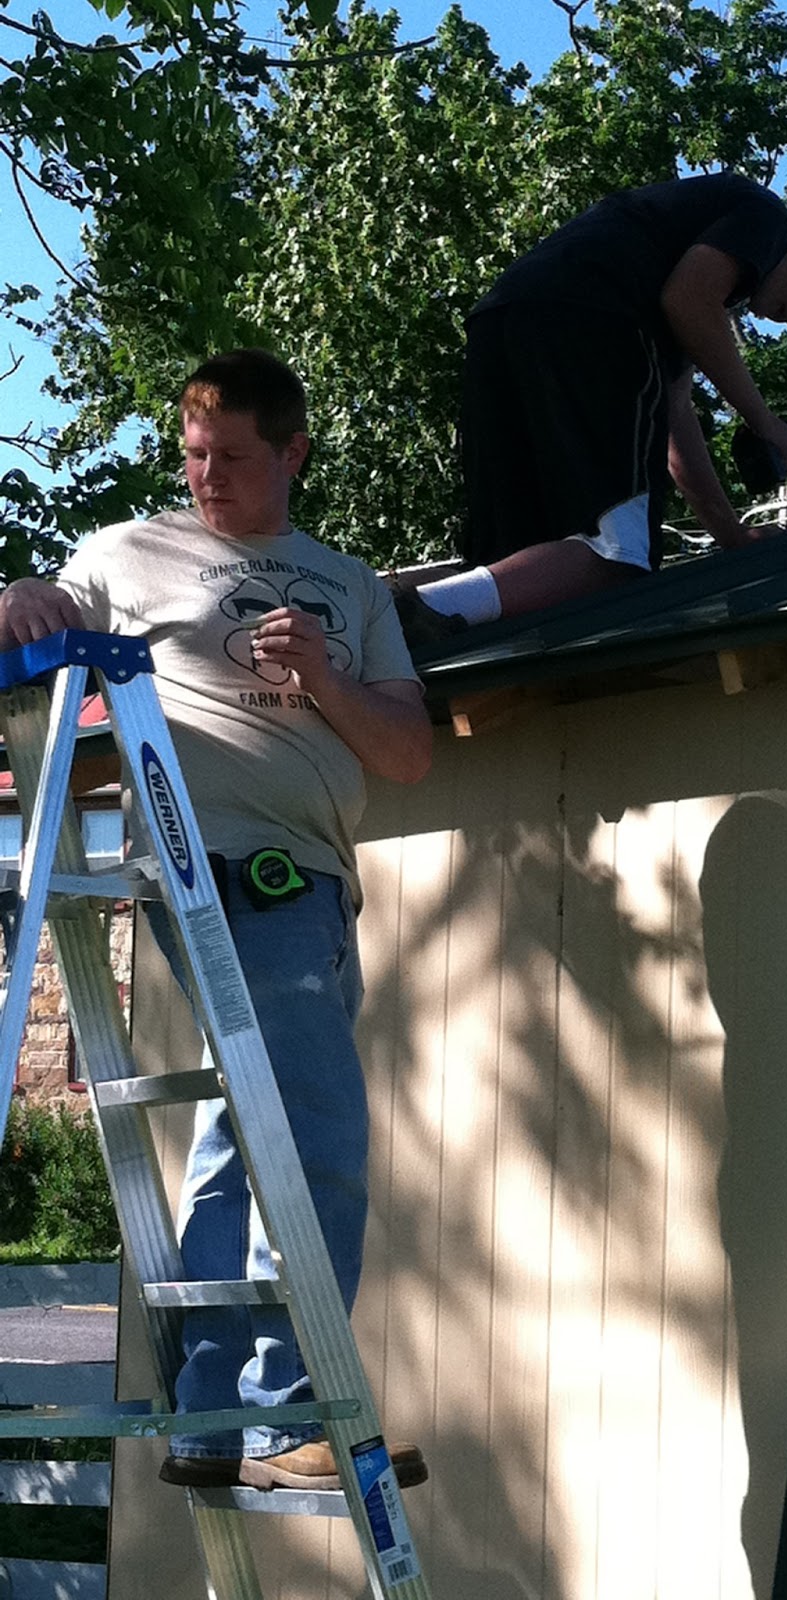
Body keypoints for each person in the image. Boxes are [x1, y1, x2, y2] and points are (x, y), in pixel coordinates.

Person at [0, 349, 435, 1492]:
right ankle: (290, 1412)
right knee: (322, 1139)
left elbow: (407, 750)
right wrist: (17, 598)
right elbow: (31, 618)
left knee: (243, 1150)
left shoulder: (348, 584)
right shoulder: (131, 553)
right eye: (193, 455)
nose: (206, 477)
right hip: (219, 872)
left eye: (232, 458)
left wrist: (327, 684)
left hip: (320, 889)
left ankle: (209, 1423)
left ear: (291, 451)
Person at [398, 171, 787, 643]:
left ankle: (370, 607)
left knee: (519, 563)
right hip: (595, 323)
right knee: (617, 558)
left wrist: (730, 535)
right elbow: (689, 298)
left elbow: (675, 411)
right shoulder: (767, 217)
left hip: (503, 322)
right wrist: (765, 422)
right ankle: (417, 611)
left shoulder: (665, 254)